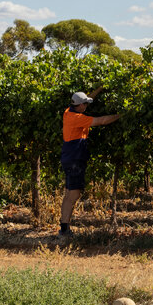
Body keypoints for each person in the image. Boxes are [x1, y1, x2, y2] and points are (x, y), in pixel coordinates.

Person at [58, 87, 120, 241]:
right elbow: (102, 121)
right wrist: (121, 115)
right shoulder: (77, 118)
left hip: (70, 157)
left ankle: (64, 228)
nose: (86, 107)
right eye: (84, 104)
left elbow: (84, 100)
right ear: (79, 106)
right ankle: (64, 230)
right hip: (74, 159)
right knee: (74, 194)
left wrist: (98, 90)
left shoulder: (69, 111)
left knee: (69, 194)